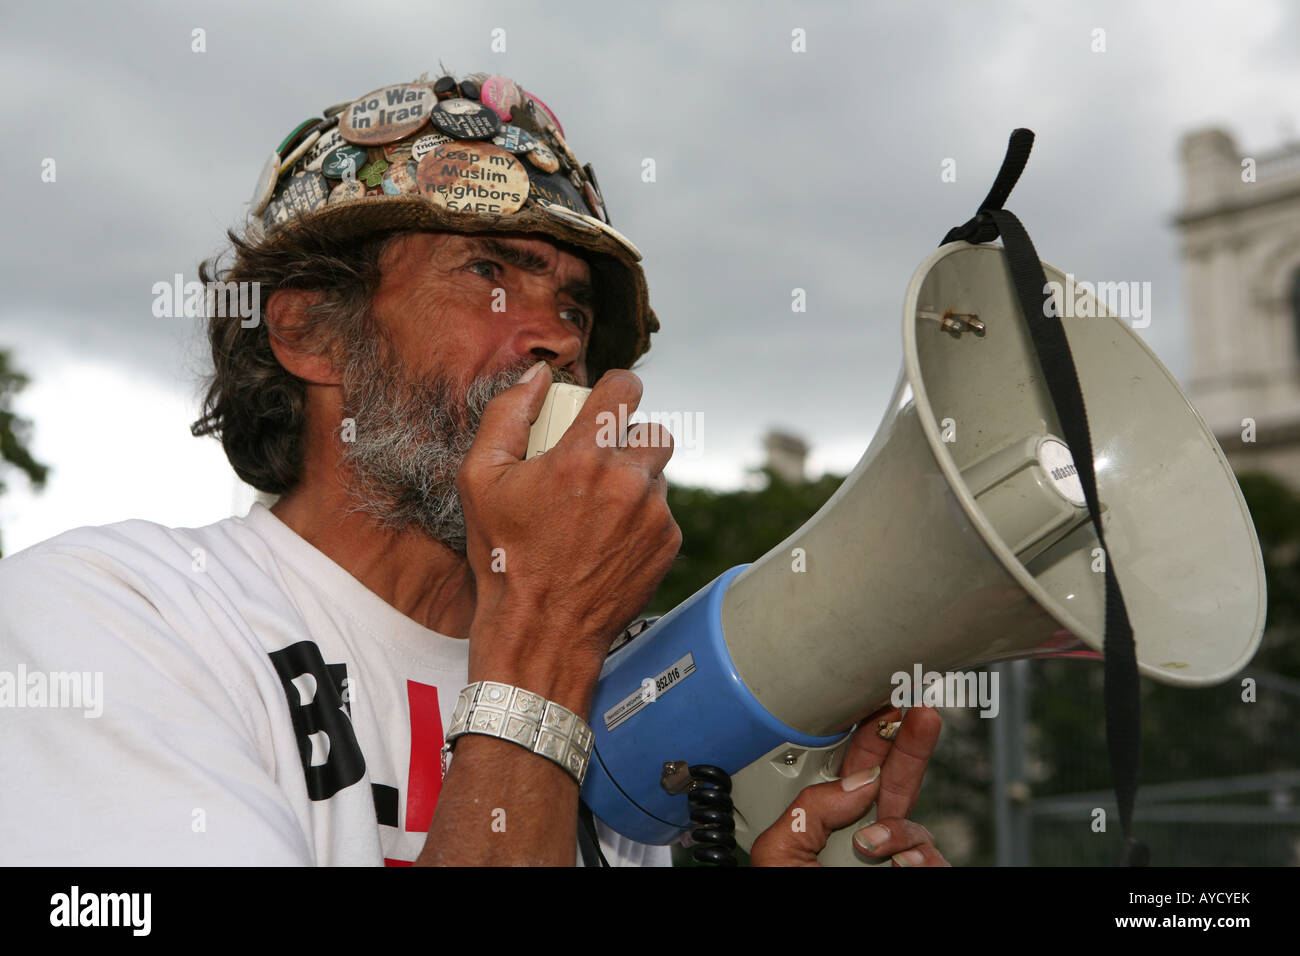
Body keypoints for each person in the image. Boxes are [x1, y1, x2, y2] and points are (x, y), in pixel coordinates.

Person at [0, 69, 948, 867]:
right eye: (491, 275)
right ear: (309, 332)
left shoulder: (629, 703)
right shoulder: (114, 615)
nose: (555, 341)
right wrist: (545, 637)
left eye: (574, 308)